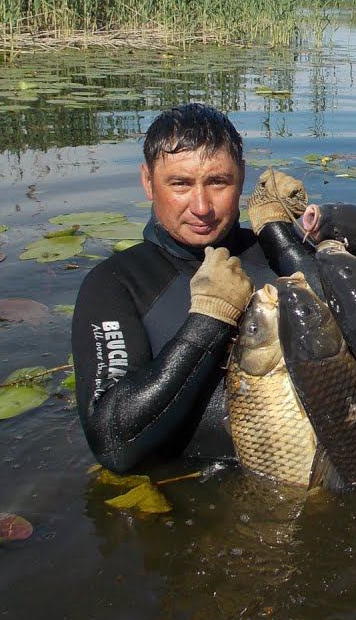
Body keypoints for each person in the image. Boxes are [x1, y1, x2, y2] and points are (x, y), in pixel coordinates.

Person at [71, 104, 316, 473]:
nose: (201, 207)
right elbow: (113, 444)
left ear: (242, 177)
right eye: (180, 184)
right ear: (147, 182)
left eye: (218, 182)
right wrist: (207, 320)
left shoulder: (276, 252)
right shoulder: (116, 283)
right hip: (199, 499)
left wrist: (287, 241)